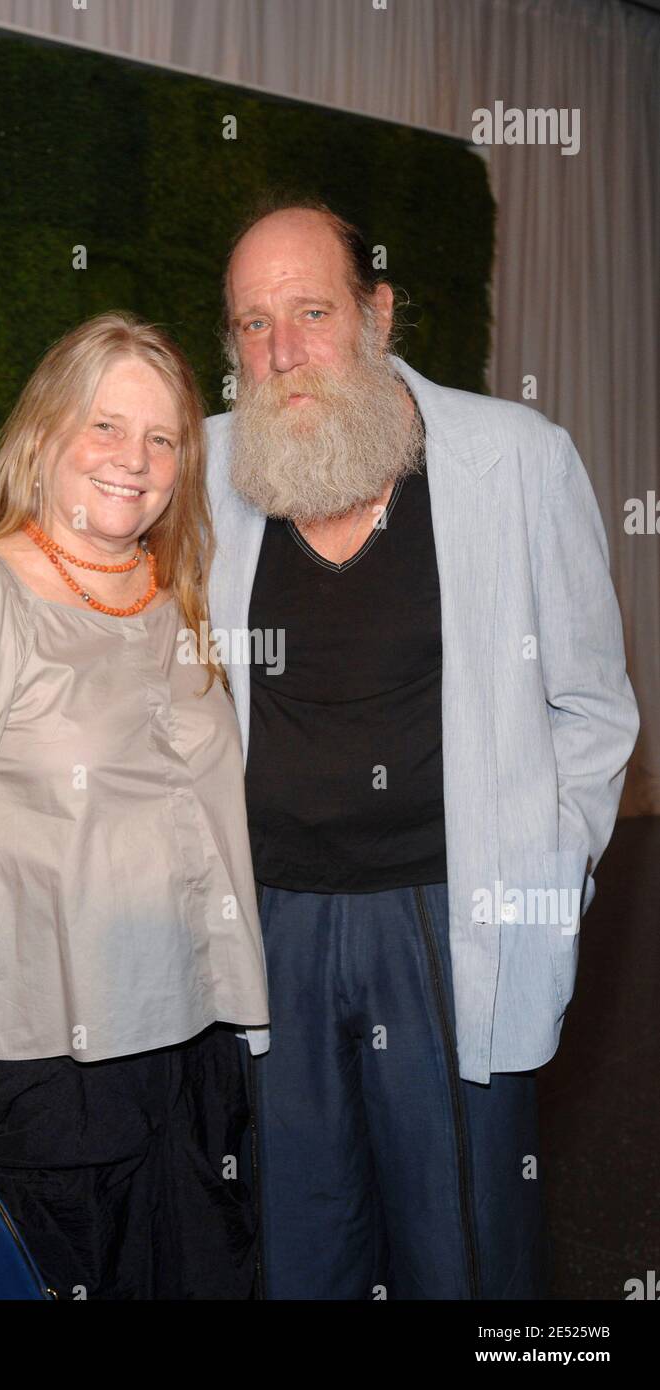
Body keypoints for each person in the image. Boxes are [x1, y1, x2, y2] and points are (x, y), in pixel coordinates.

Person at [203, 193, 641, 1299]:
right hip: (270, 925)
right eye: (252, 324)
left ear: (376, 311)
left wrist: (548, 873)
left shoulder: (516, 460)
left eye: (309, 310)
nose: (283, 351)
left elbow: (591, 708)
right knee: (300, 1246)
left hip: (449, 916)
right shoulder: (197, 476)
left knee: (466, 1251)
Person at [0, 311, 270, 1300]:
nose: (135, 458)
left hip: (177, 1058)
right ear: (42, 438)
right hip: (24, 1072)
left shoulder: (175, 601)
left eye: (163, 438)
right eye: (104, 426)